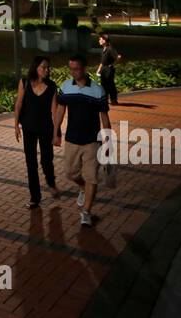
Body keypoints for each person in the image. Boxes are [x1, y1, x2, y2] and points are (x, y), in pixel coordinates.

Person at [54, 53, 112, 227]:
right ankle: (82, 187)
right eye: (71, 69)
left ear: (84, 69)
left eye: (76, 69)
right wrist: (55, 131)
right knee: (70, 173)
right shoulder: (66, 87)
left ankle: (86, 212)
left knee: (92, 177)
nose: (73, 72)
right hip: (72, 139)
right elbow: (60, 111)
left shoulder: (97, 90)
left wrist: (108, 140)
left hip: (92, 141)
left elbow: (105, 118)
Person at [14, 55, 58, 209]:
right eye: (43, 67)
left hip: (46, 128)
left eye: (48, 67)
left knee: (46, 160)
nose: (47, 70)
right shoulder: (25, 83)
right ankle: (35, 197)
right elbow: (18, 104)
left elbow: (54, 111)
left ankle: (51, 182)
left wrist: (56, 132)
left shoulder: (52, 86)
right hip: (29, 128)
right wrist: (16, 125)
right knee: (30, 163)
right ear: (36, 68)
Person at [97, 33, 121, 105]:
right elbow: (102, 61)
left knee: (110, 84)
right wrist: (99, 69)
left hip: (109, 69)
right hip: (104, 69)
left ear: (104, 40)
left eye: (100, 39)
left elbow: (117, 57)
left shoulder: (110, 49)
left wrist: (112, 64)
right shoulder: (103, 50)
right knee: (103, 84)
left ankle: (114, 100)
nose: (99, 41)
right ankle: (105, 99)